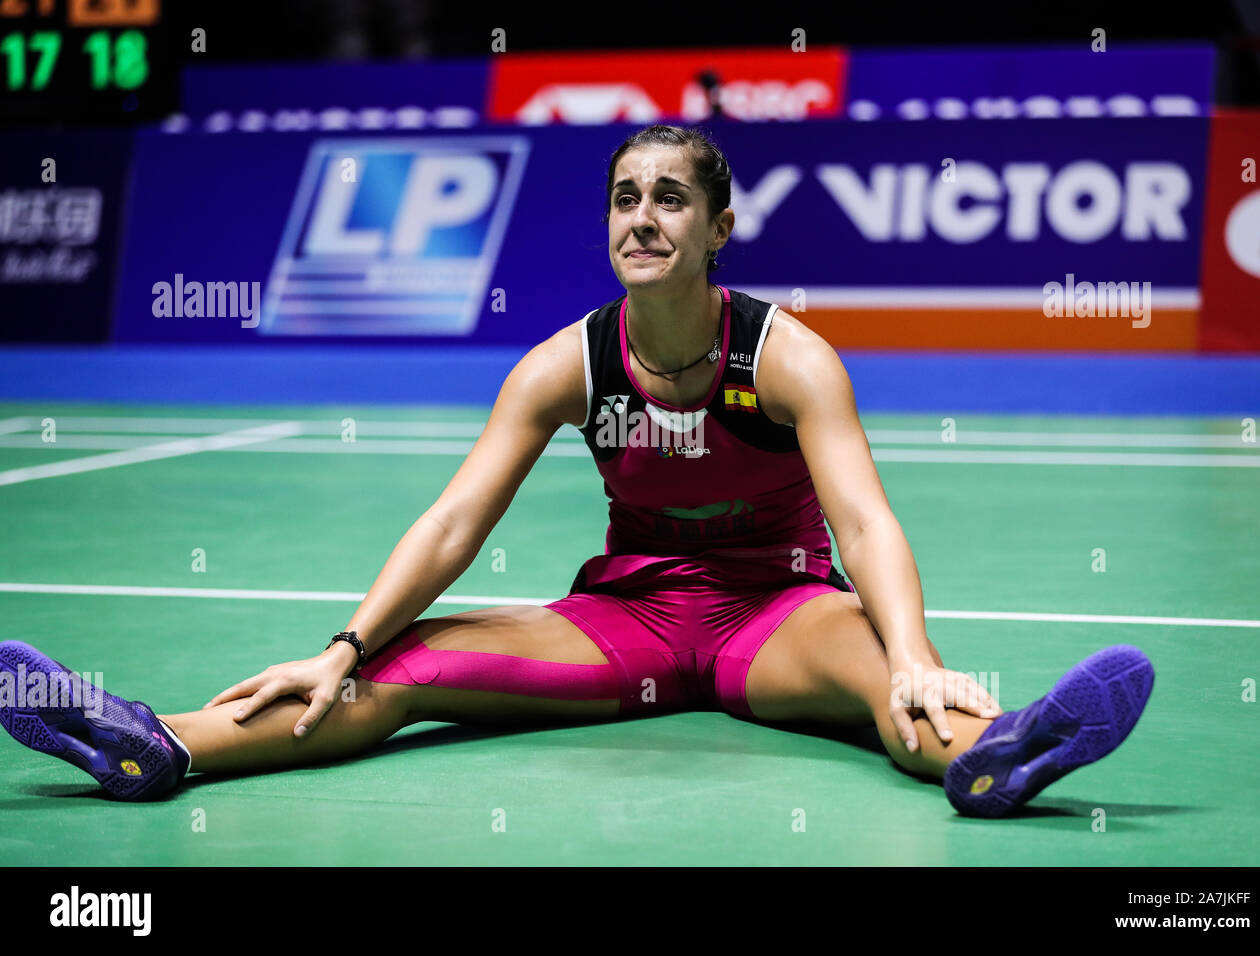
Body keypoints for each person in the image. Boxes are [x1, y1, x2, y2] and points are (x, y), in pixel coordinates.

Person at [0, 125, 1153, 817]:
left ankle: (993, 752)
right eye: (623, 197)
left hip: (780, 613)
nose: (640, 216)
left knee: (893, 686)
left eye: (669, 198)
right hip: (629, 618)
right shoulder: (566, 364)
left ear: (717, 227)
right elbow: (457, 519)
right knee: (398, 672)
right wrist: (343, 641)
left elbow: (867, 520)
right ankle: (160, 742)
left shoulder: (789, 355)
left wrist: (906, 647)